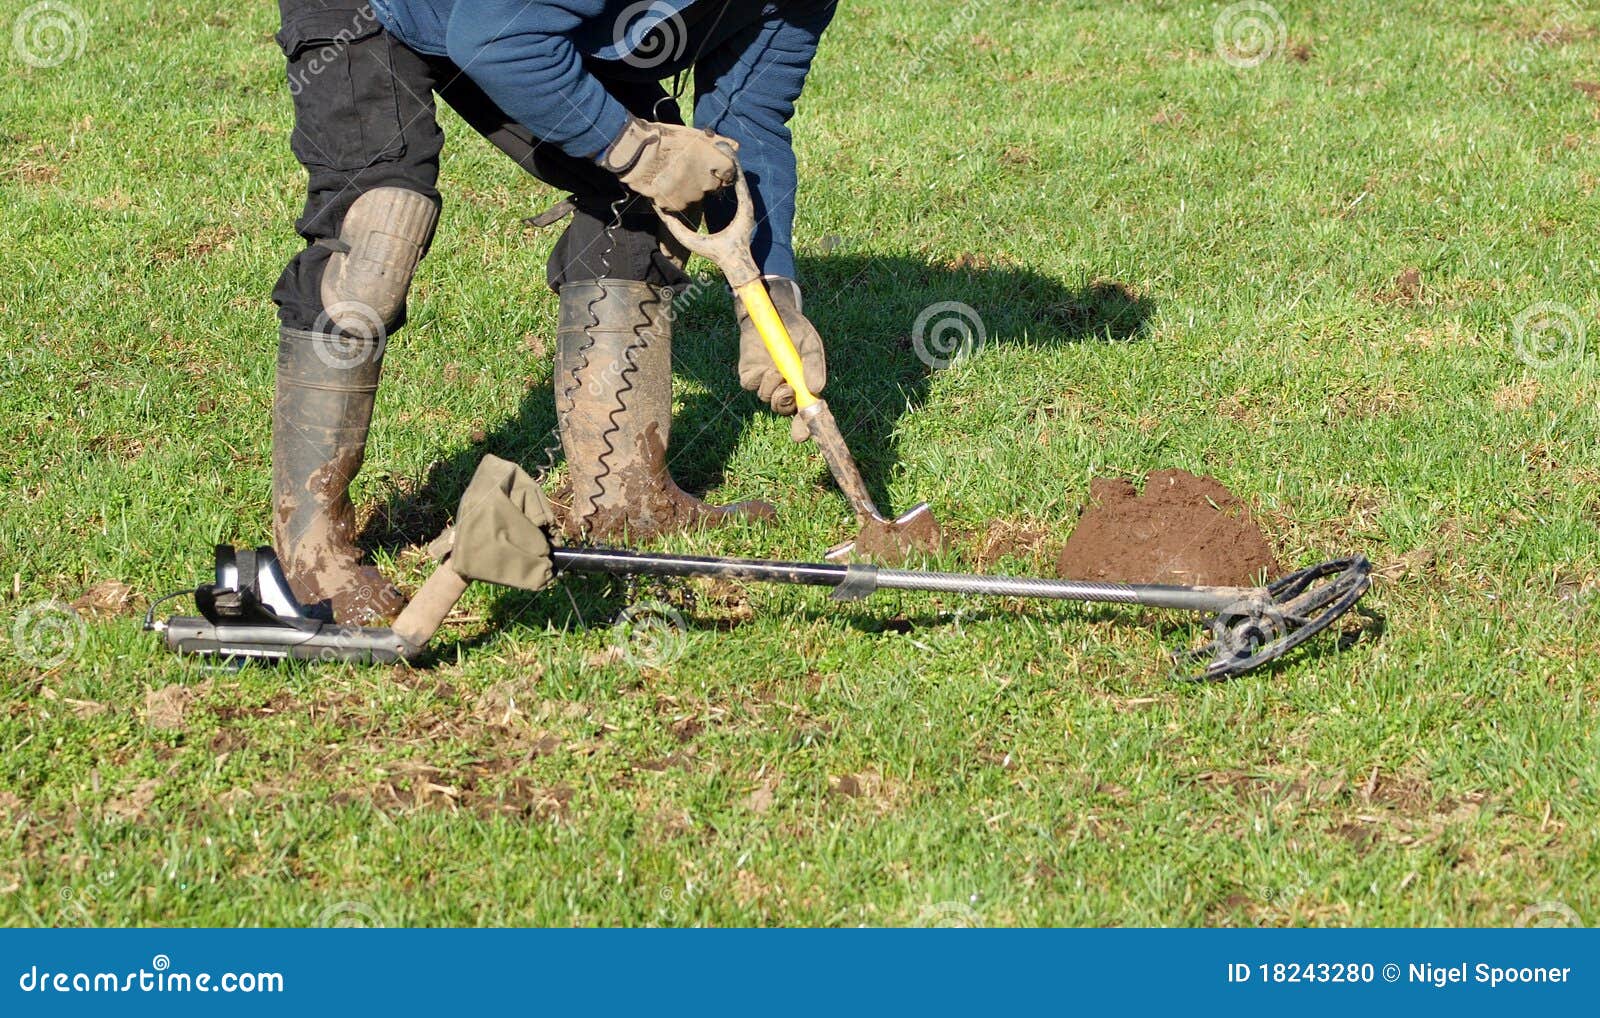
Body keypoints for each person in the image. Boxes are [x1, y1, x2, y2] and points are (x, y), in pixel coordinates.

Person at [271, 0, 836, 623]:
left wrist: (771, 295)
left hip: (512, 24)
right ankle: (309, 549)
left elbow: (748, 121)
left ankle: (623, 495)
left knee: (660, 196)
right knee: (378, 234)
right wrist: (640, 153)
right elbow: (493, 38)